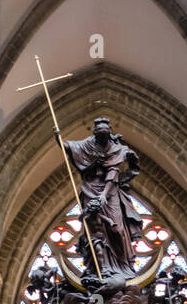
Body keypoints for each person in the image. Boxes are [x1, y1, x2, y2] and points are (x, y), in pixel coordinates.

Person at [61, 118, 143, 279]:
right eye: (99, 134)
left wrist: (125, 174)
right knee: (95, 235)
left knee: (117, 230)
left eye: (105, 134)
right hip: (90, 189)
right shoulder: (87, 146)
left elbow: (129, 166)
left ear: (109, 133)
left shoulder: (118, 149)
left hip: (110, 193)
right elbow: (70, 147)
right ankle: (99, 268)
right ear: (95, 134)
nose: (102, 138)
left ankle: (122, 266)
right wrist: (59, 138)